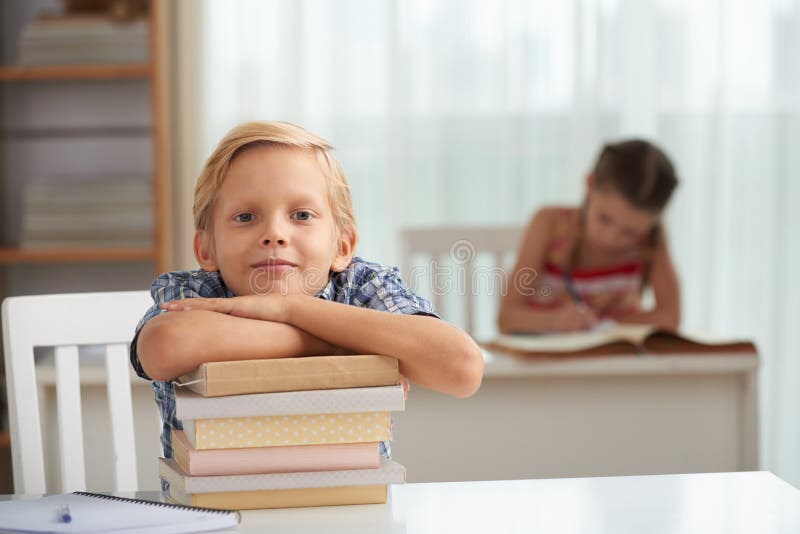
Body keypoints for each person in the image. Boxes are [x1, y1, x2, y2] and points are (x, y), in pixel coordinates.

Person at [130, 121, 484, 461]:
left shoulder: (361, 287)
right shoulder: (197, 291)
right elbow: (164, 346)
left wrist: (291, 308)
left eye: (301, 215)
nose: (274, 234)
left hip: (350, 516)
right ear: (206, 248)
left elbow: (463, 368)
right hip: (221, 515)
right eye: (245, 217)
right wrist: (339, 344)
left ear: (342, 246)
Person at [498, 139, 681, 334]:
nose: (611, 237)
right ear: (590, 183)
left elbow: (669, 316)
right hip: (549, 358)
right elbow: (507, 317)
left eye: (631, 232)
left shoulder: (652, 237)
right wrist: (554, 321)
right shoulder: (549, 224)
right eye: (604, 219)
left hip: (613, 360)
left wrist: (604, 329)